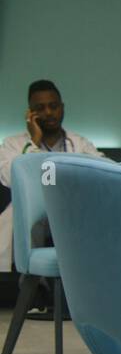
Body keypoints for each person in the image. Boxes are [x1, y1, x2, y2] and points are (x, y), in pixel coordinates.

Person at [0, 80, 105, 276]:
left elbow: (105, 170)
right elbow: (11, 178)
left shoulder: (79, 144)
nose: (48, 113)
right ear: (30, 113)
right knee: (16, 212)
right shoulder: (13, 144)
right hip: (33, 215)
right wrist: (34, 141)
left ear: (62, 107)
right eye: (40, 108)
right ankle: (28, 285)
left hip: (70, 211)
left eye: (53, 106)